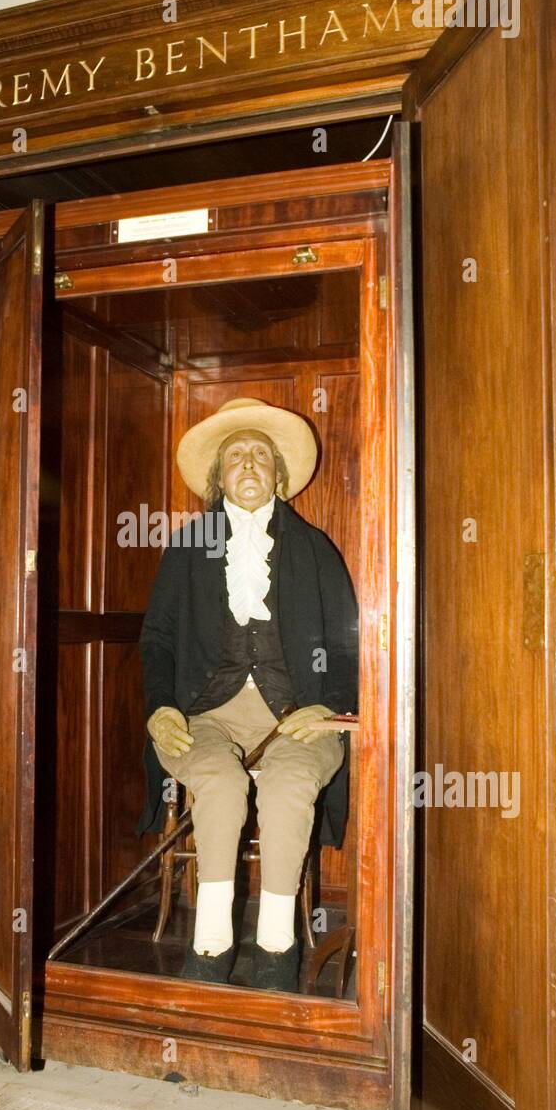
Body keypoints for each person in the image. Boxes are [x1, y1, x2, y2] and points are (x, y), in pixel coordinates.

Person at [138, 397, 358, 993]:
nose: (251, 466)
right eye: (237, 457)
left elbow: (348, 648)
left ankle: (276, 951)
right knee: (220, 781)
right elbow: (156, 639)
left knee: (288, 786)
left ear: (281, 476)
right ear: (218, 477)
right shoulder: (188, 549)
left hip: (297, 716)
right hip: (204, 714)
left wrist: (329, 708)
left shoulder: (315, 550)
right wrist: (161, 707)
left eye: (262, 455)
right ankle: (209, 948)